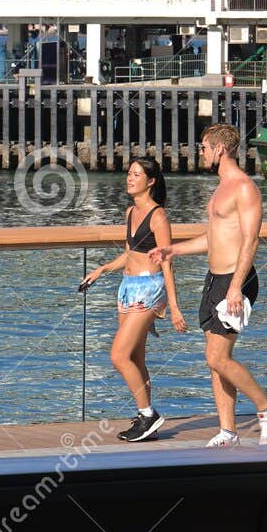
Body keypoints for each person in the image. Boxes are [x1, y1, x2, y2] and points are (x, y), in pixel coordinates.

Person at [149, 123, 267, 447]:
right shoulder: (221, 188)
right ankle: (228, 432)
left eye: (203, 147)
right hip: (214, 279)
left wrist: (236, 287)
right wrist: (173, 250)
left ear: (219, 149)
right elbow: (212, 238)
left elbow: (251, 241)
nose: (201, 152)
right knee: (215, 362)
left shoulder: (244, 188)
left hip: (236, 280)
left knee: (217, 357)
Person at [79, 157, 186, 442]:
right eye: (129, 173)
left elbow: (167, 262)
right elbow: (130, 254)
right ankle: (145, 421)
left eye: (136, 175)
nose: (130, 178)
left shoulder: (158, 216)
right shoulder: (130, 212)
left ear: (150, 181)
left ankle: (149, 414)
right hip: (127, 288)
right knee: (135, 358)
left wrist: (174, 307)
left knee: (118, 355)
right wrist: (102, 269)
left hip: (150, 289)